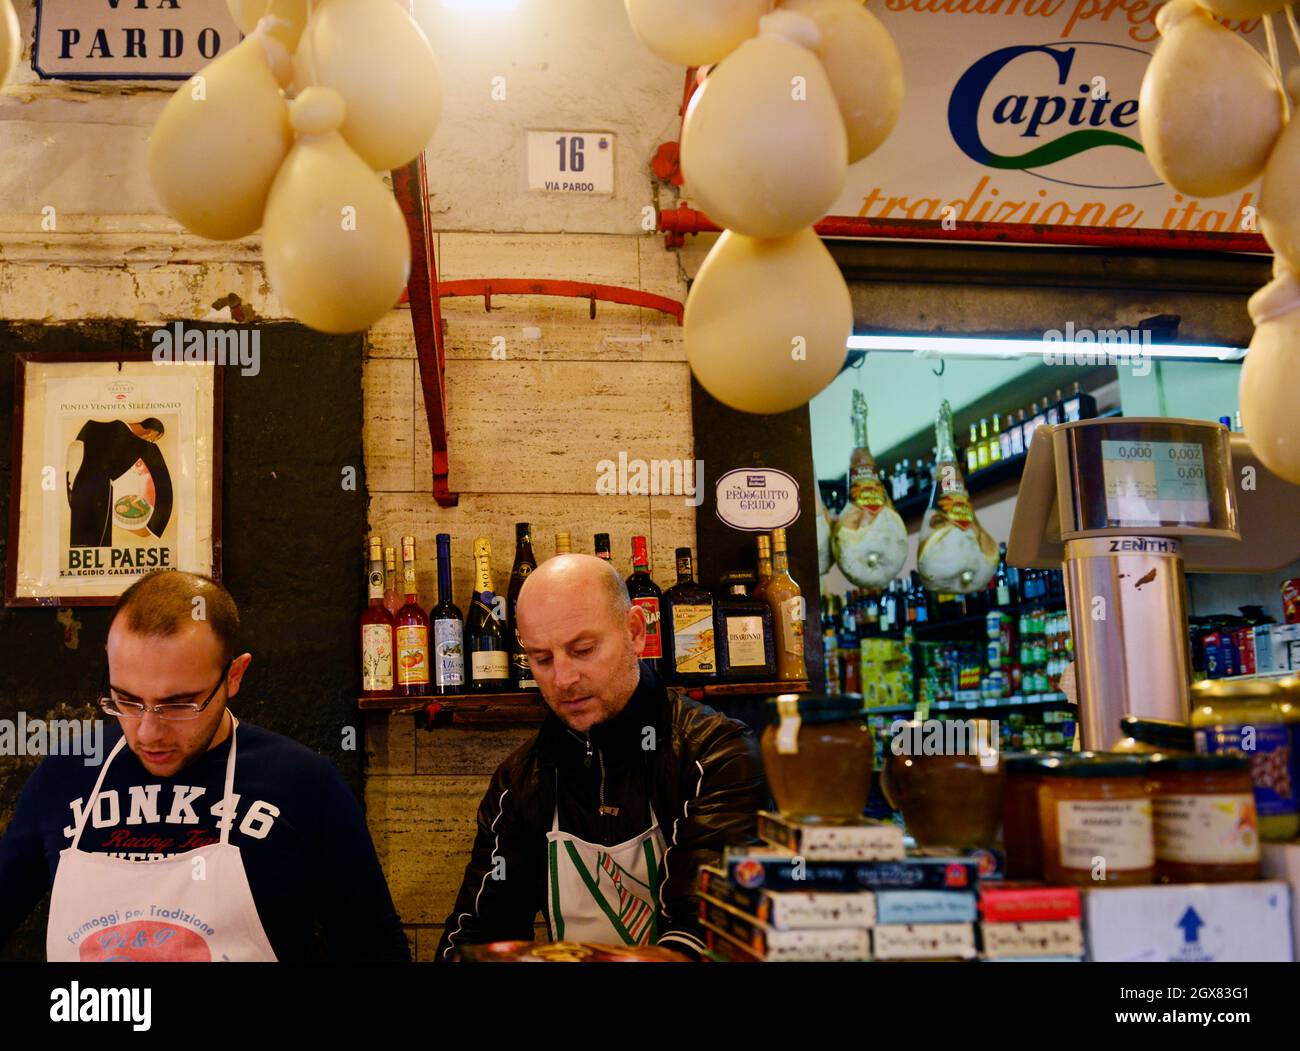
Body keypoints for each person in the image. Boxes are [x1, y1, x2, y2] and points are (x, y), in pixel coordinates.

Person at [0, 570, 410, 962]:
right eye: (125, 700)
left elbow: (374, 951)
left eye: (178, 705)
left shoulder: (305, 785)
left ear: (233, 676)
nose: (148, 732)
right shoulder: (64, 775)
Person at [436, 554, 766, 961]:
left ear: (634, 631)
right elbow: (475, 933)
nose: (563, 679)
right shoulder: (521, 781)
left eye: (583, 650)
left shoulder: (714, 755)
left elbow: (707, 935)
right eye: (541, 659)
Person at [67, 417, 173, 546]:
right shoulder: (141, 445)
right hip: (98, 496)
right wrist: (153, 527)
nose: (151, 441)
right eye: (153, 438)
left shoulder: (90, 425)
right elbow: (163, 485)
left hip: (78, 490)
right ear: (151, 432)